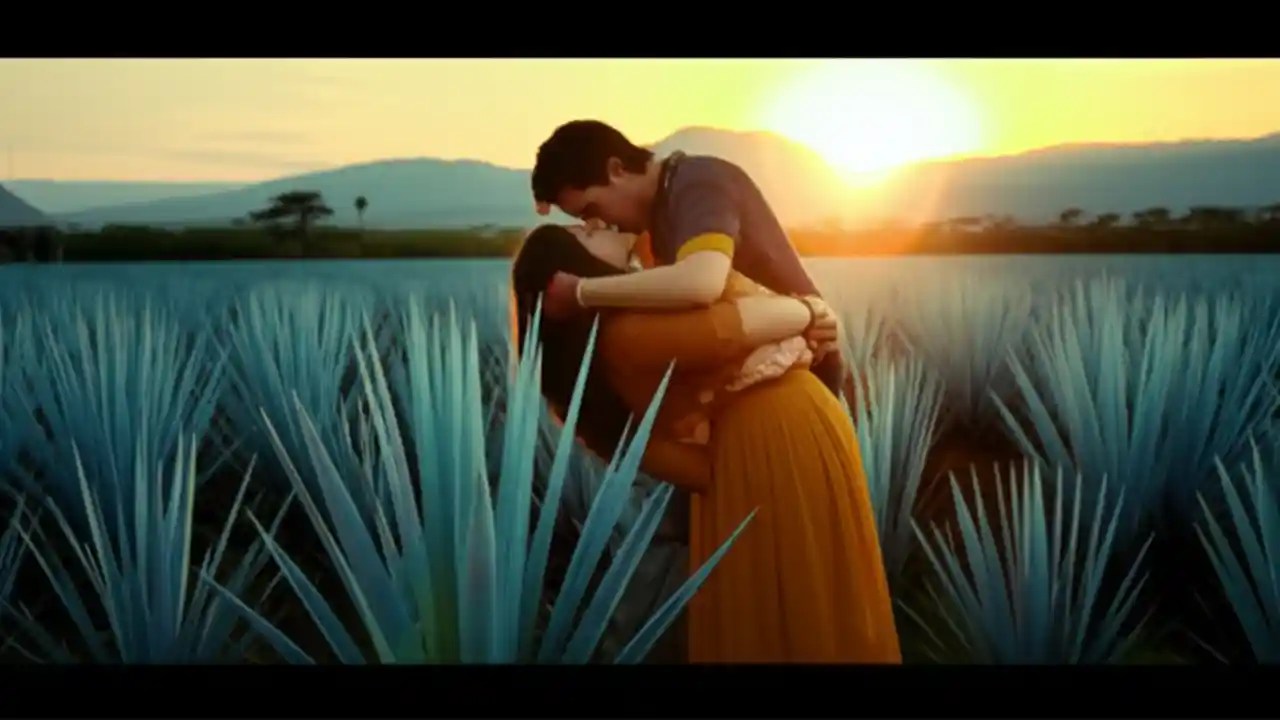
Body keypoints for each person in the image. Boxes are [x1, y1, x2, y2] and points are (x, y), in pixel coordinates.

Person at [510, 222, 901, 664]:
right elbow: (731, 328)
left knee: (781, 614)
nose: (593, 224)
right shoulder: (629, 331)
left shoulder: (611, 351)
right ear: (574, 266)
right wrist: (810, 310)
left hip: (756, 461)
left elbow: (693, 468)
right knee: (811, 610)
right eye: (581, 234)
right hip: (778, 449)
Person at [529, 119, 852, 402]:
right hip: (764, 380)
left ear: (617, 170)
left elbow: (702, 282)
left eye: (592, 210)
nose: (596, 225)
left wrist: (580, 292)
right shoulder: (661, 214)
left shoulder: (698, 183)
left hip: (806, 382)